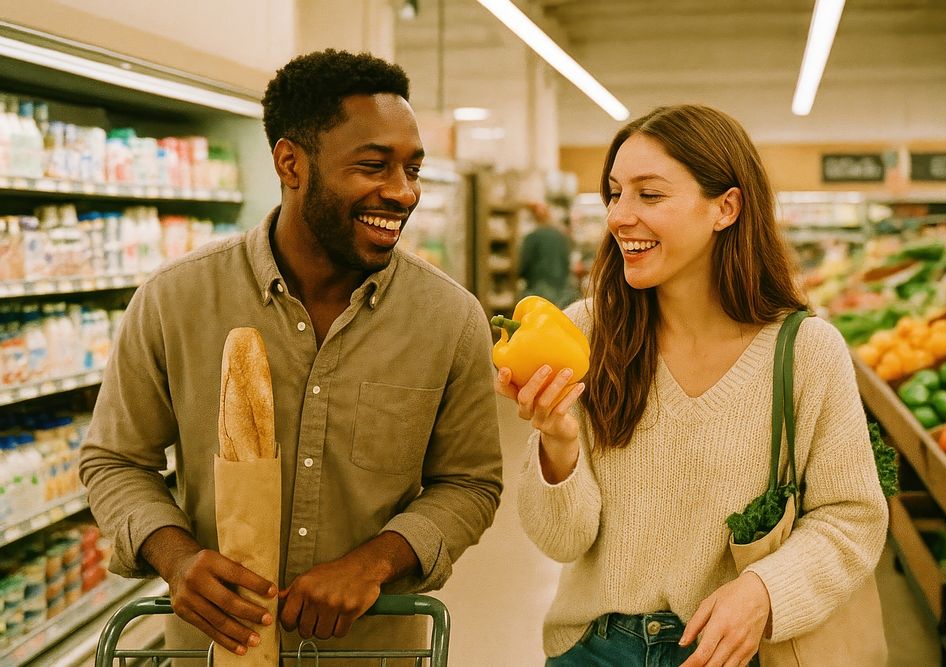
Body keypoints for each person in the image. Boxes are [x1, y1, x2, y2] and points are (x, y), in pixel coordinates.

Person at [79, 49, 503, 662]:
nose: (402, 193)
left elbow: (468, 483)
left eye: (413, 169)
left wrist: (375, 563)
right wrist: (177, 558)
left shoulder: (450, 319)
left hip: (370, 650)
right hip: (214, 649)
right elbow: (116, 460)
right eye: (373, 166)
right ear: (291, 162)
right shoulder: (175, 300)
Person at [495, 105, 888, 666]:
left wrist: (764, 590)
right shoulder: (582, 334)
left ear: (725, 207)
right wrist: (558, 442)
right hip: (595, 648)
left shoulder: (804, 352)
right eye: (614, 193)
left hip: (737, 650)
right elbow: (564, 542)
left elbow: (853, 518)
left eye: (648, 195)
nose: (619, 216)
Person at [518, 201, 578, 308]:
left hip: (538, 290)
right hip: (562, 290)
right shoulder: (561, 236)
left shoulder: (533, 237)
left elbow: (523, 266)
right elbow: (567, 262)